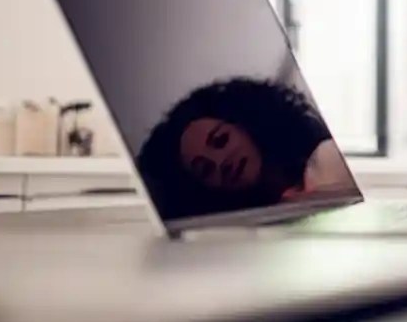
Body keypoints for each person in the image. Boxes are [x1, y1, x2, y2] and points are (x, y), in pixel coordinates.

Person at [136, 77, 357, 218]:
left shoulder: (329, 159)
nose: (221, 162)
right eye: (205, 169)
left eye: (221, 140)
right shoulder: (242, 233)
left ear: (246, 123)